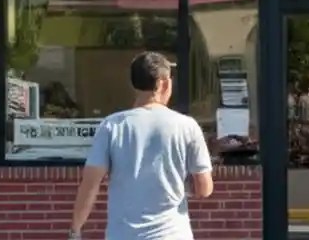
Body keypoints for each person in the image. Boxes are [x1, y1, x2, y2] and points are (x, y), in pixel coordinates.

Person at [68, 52, 214, 240]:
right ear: (164, 84)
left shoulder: (112, 126)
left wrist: (75, 230)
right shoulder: (187, 126)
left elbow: (90, 185)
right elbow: (204, 189)